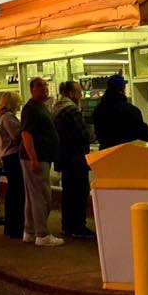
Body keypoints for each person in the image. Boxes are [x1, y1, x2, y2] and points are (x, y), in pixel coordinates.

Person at [20, 78, 64, 246]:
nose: (44, 88)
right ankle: (42, 234)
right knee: (42, 195)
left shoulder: (41, 107)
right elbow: (26, 134)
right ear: (32, 89)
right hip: (36, 157)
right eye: (40, 86)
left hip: (42, 156)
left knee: (33, 196)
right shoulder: (31, 109)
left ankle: (30, 231)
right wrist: (33, 158)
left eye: (45, 85)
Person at [53, 81, 93, 238]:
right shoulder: (72, 110)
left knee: (68, 193)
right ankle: (78, 226)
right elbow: (85, 134)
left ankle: (67, 225)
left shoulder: (57, 109)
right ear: (70, 93)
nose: (81, 95)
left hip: (64, 158)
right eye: (78, 92)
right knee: (80, 192)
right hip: (76, 158)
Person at [92, 74, 148, 149]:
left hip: (106, 153)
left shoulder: (98, 110)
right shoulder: (131, 110)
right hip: (127, 153)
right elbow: (144, 136)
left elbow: (98, 134)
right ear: (123, 88)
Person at [0, 92, 25, 239]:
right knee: (17, 191)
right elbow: (17, 136)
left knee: (13, 191)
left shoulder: (4, 117)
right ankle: (16, 226)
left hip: (9, 157)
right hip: (13, 156)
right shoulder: (8, 117)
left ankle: (11, 225)